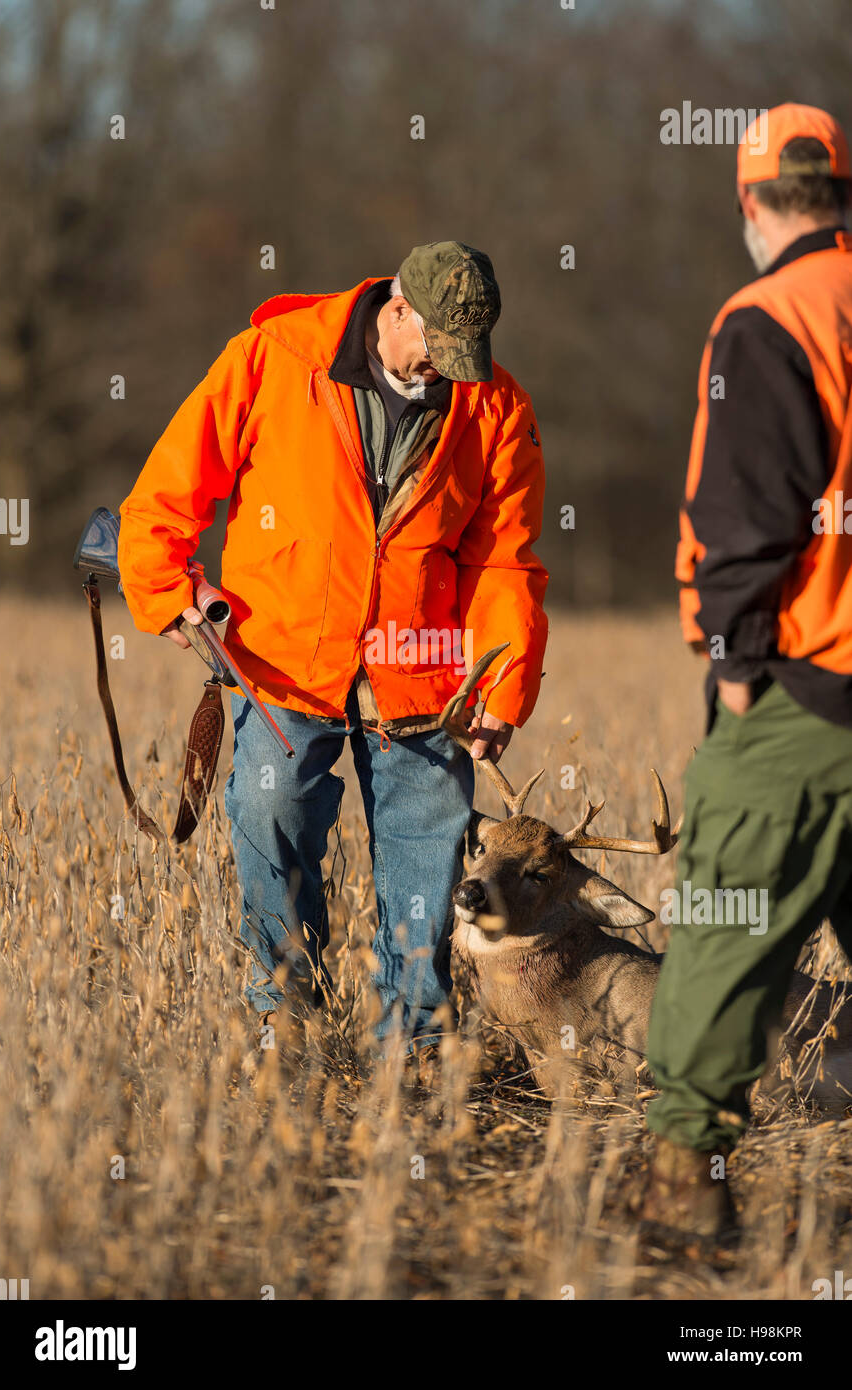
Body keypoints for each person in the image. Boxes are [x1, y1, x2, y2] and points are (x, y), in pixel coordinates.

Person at [118, 240, 548, 1051]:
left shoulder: (495, 407)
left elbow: (505, 559)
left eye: (464, 359)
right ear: (395, 310)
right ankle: (288, 1025)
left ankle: (414, 1048)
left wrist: (503, 685)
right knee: (267, 815)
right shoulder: (272, 361)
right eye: (434, 354)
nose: (447, 375)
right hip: (282, 663)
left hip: (422, 681)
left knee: (428, 863)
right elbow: (165, 495)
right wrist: (171, 591)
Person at [641, 104, 852, 1240]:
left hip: (808, 688)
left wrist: (733, 663)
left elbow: (745, 513)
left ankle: (684, 1195)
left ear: (753, 207)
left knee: (725, 929)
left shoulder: (770, 317)